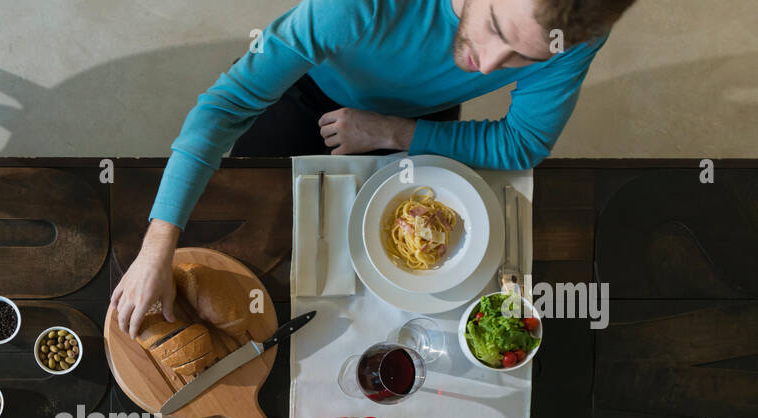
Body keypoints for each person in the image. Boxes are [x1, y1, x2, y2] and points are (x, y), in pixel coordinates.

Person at [112, 0, 636, 337]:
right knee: (252, 230)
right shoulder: (355, 4)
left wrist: (393, 132)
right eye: (495, 28)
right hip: (308, 90)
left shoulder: (575, 28)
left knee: (381, 302)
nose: (491, 66)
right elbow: (224, 107)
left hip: (412, 126)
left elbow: (522, 143)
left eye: (525, 58)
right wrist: (157, 247)